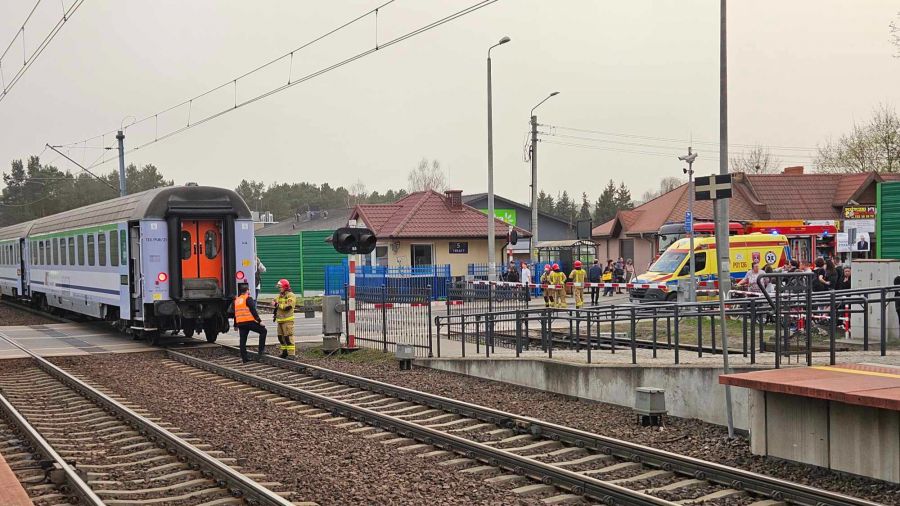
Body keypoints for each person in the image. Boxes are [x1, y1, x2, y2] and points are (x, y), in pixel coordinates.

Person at [231, 283, 267, 363]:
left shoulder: (236, 300)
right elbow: (253, 310)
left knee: (242, 341)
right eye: (249, 290)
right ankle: (261, 351)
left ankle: (245, 359)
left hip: (240, 323)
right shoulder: (248, 298)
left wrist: (235, 324)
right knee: (263, 331)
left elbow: (235, 313)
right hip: (249, 321)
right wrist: (259, 321)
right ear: (247, 291)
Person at [274, 279, 297, 359]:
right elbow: (275, 301)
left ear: (285, 287)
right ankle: (284, 352)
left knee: (288, 338)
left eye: (280, 287)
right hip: (280, 320)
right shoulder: (280, 295)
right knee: (281, 338)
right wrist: (276, 303)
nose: (279, 288)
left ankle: (291, 354)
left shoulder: (291, 295)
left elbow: (288, 306)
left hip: (287, 320)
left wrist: (277, 304)